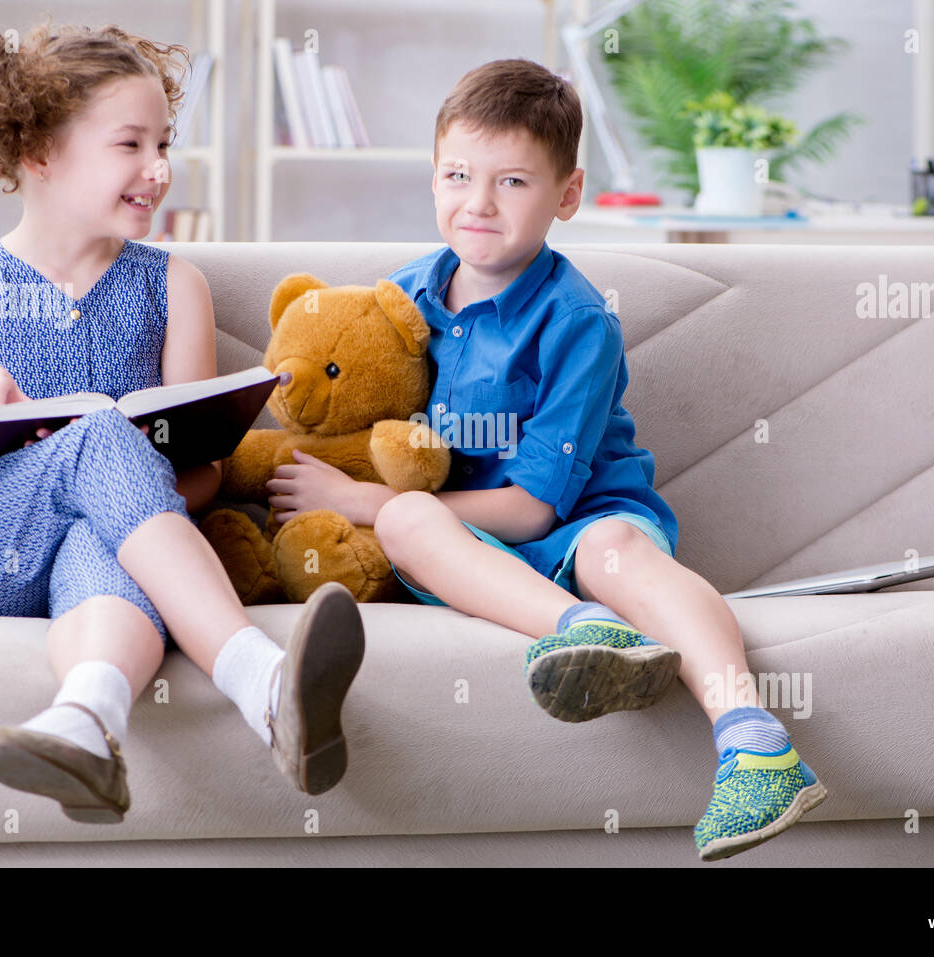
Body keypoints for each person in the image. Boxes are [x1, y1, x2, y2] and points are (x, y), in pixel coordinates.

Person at [263, 58, 826, 861]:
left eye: (513, 182)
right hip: (468, 553)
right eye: (457, 175)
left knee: (612, 545)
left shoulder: (577, 322)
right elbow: (343, 405)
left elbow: (533, 510)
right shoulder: (400, 302)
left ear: (567, 195)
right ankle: (587, 635)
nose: (478, 203)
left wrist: (363, 503)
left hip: (575, 524)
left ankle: (752, 738)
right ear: (431, 181)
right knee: (411, 517)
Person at [0, 21, 364, 821]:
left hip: (112, 547)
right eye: (131, 145)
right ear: (41, 153)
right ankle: (259, 681)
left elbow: (206, 471)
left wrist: (136, 472)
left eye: (165, 144)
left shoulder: (175, 285)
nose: (160, 170)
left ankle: (84, 721)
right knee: (100, 434)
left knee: (102, 531)